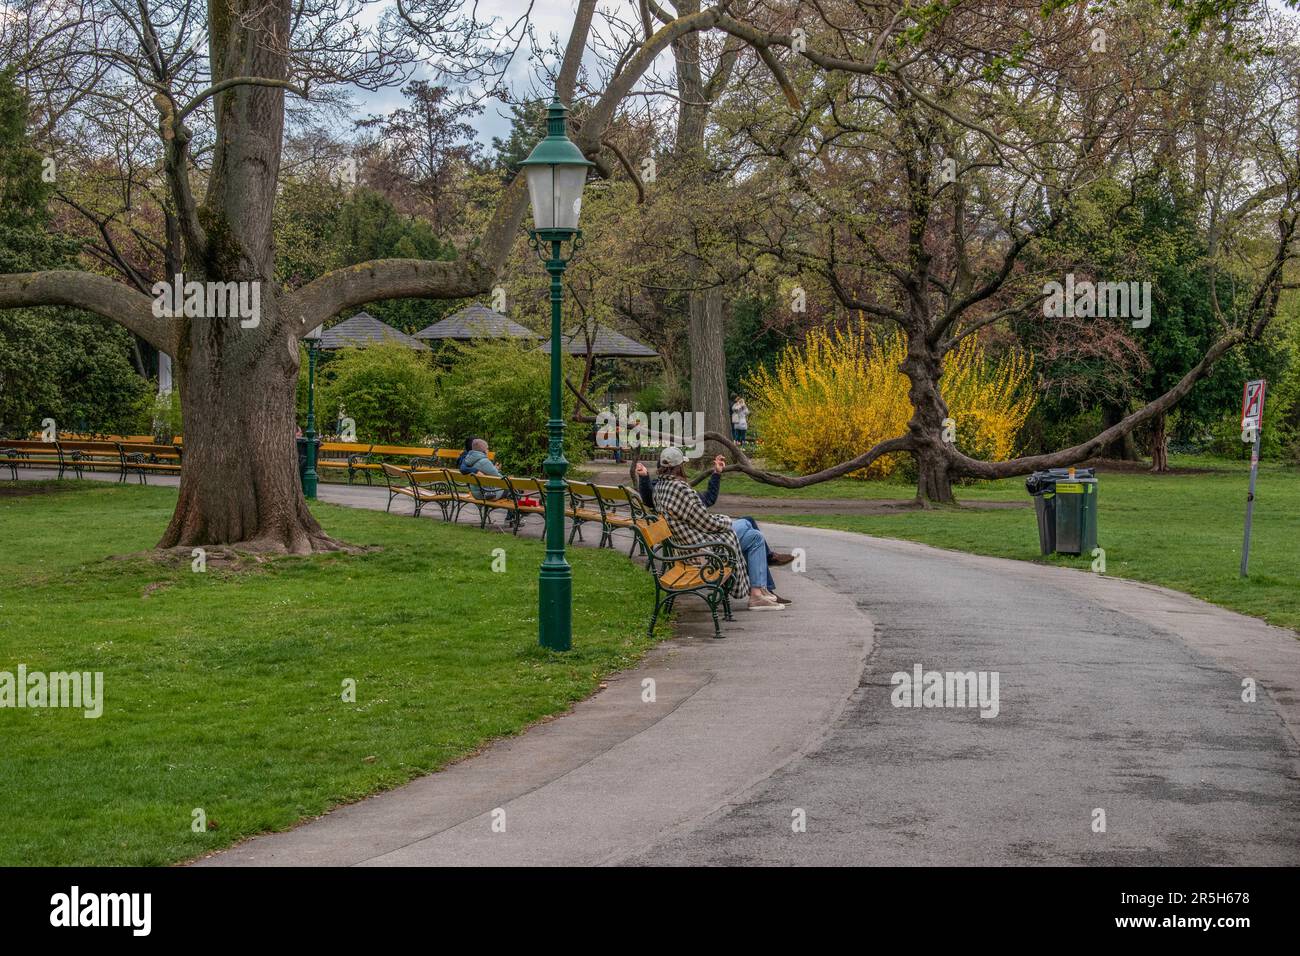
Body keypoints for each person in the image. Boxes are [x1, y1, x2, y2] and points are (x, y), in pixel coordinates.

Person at [650, 447, 790, 610]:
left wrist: (716, 473)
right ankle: (759, 591)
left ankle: (758, 593)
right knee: (746, 524)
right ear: (679, 466)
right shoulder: (679, 489)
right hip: (700, 551)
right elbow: (706, 522)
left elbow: (697, 515)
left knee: (755, 536)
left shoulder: (661, 488)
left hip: (686, 547)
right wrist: (726, 520)